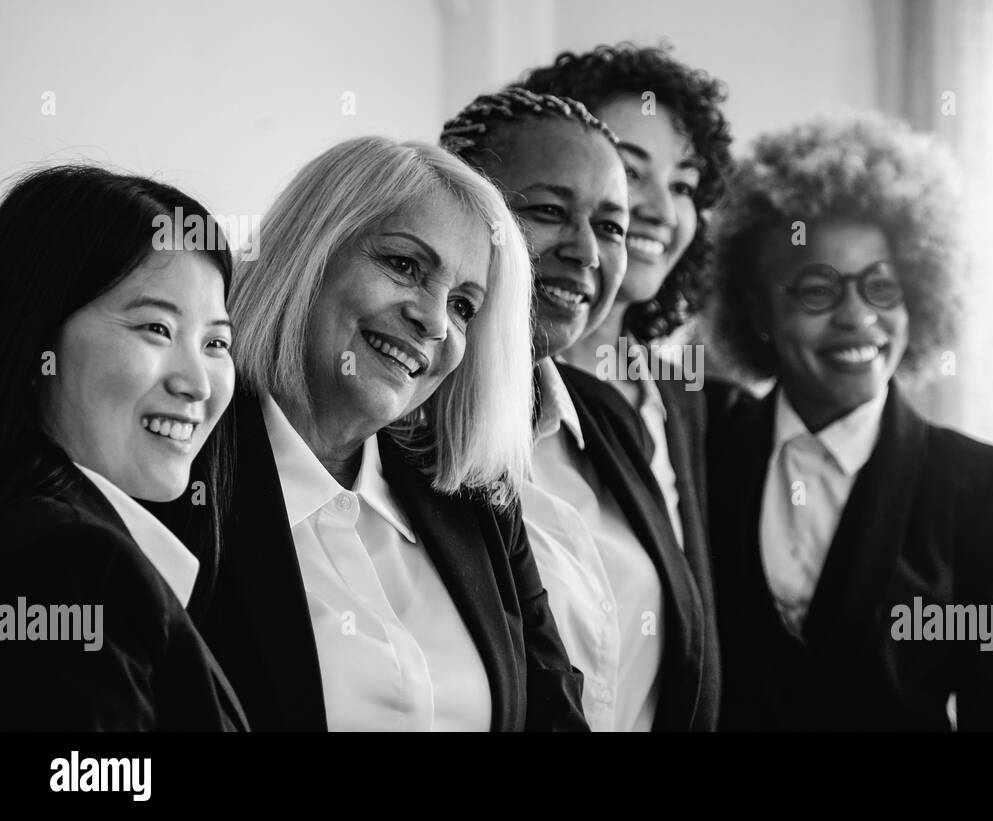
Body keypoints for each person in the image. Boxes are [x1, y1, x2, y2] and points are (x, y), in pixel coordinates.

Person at [177, 137, 586, 731]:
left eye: (465, 306)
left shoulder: (477, 500)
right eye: (403, 266)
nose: (434, 320)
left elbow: (556, 718)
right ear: (308, 253)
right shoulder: (184, 473)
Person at [704, 113, 993, 730]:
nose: (858, 317)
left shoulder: (975, 484)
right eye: (817, 289)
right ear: (757, 310)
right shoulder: (705, 448)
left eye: (882, 287)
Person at [444, 88, 714, 730]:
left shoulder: (606, 420)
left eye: (611, 227)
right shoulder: (400, 428)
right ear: (455, 209)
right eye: (548, 211)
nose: (587, 252)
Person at [517, 45, 733, 726]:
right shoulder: (479, 386)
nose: (661, 208)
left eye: (685, 185)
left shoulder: (684, 405)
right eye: (630, 171)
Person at [0, 165, 246, 730]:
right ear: (39, 334)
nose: (198, 383)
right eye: (156, 329)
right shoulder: (68, 564)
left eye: (216, 342)